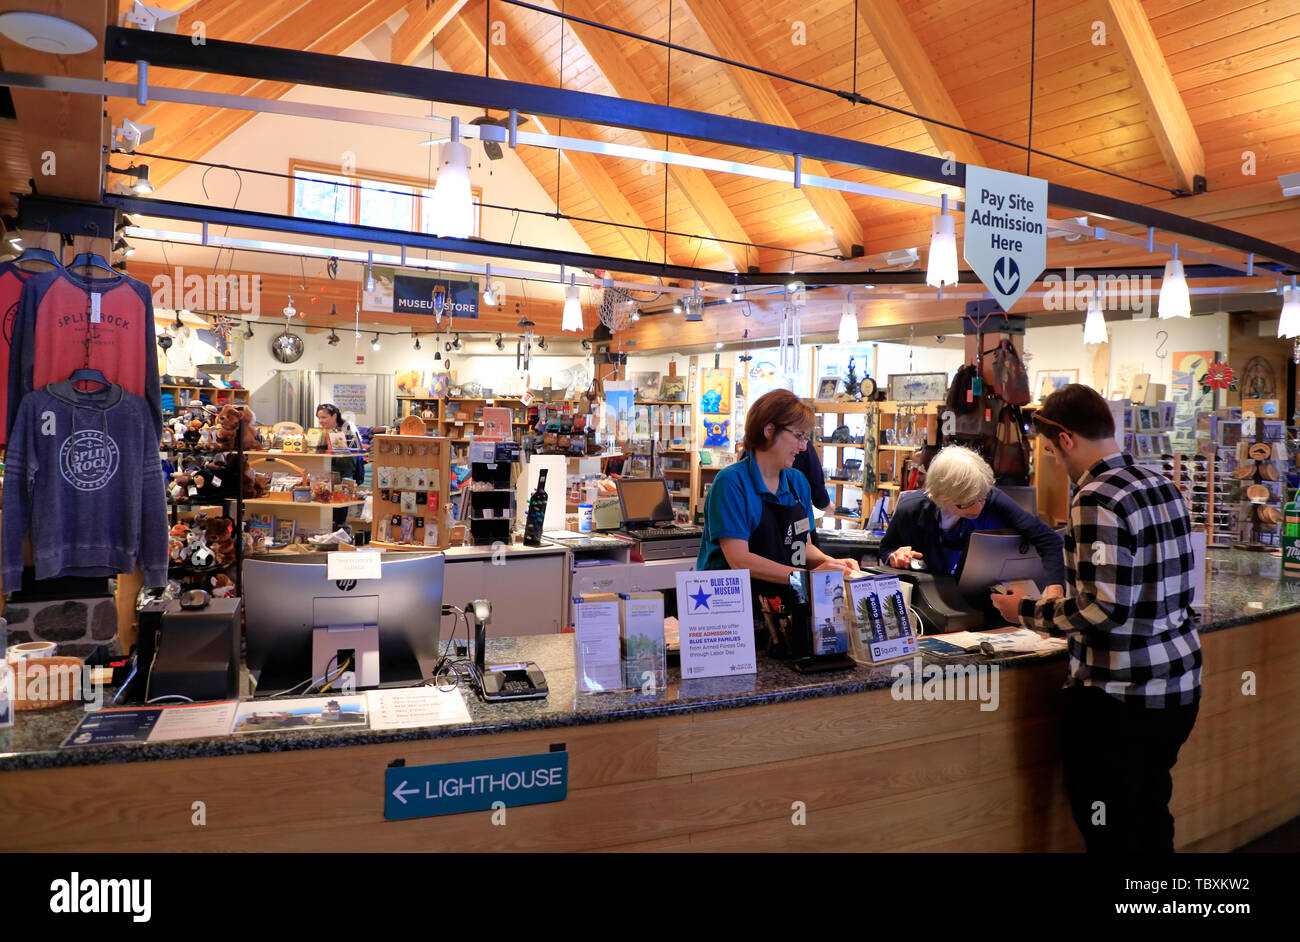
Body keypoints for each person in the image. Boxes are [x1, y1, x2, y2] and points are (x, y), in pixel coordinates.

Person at [990, 384, 1200, 853]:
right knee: (1148, 814)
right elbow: (1169, 589)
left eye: (1049, 449)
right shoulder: (1161, 483)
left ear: (1066, 439)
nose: (1055, 462)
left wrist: (1022, 610)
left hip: (1118, 697)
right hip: (1178, 685)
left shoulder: (1095, 496)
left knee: (1110, 830)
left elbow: (1101, 610)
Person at [697, 390, 860, 596]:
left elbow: (802, 546)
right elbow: (739, 560)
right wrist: (805, 578)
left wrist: (830, 562)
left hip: (781, 601)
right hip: (730, 607)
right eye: (799, 436)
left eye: (806, 438)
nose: (803, 447)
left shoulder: (797, 483)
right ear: (769, 430)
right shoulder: (731, 483)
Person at [878, 444, 1065, 596]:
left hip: (982, 599)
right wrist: (895, 556)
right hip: (928, 599)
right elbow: (886, 550)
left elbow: (1049, 539)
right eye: (965, 504)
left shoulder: (991, 498)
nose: (977, 508)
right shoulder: (910, 509)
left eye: (981, 498)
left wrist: (1054, 589)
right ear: (940, 496)